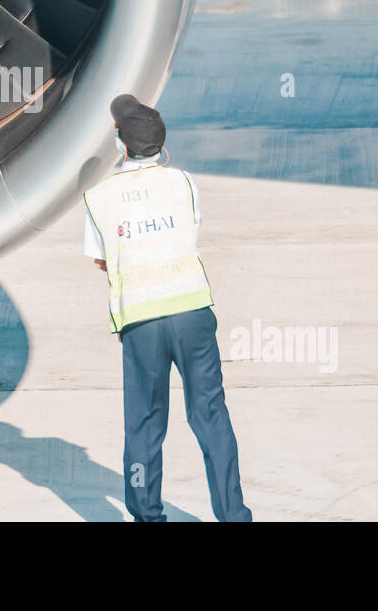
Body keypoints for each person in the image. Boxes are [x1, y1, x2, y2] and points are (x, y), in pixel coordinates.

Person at [82, 94, 252, 522]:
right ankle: (233, 515)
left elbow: (101, 259)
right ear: (162, 146)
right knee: (211, 415)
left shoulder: (100, 198)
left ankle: (147, 515)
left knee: (143, 426)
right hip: (192, 312)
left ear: (120, 144)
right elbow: (188, 232)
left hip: (142, 323)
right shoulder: (184, 183)